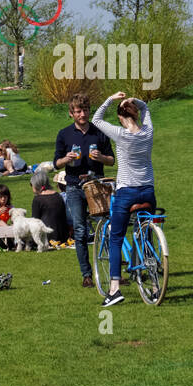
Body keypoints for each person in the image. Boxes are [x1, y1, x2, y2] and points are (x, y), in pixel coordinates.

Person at [92, 91, 154, 306]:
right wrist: (134, 101)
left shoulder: (120, 134)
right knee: (145, 234)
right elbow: (146, 108)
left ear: (120, 117)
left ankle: (115, 289)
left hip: (127, 191)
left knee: (116, 237)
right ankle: (154, 285)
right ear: (135, 114)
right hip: (148, 190)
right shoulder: (148, 132)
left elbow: (96, 119)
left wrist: (110, 98)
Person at [55, 92, 116, 286]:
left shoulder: (99, 132)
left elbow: (112, 160)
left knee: (106, 228)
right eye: (78, 111)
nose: (83, 114)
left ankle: (114, 273)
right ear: (71, 113)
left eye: (86, 110)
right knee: (80, 231)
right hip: (73, 186)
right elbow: (56, 163)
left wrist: (101, 158)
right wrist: (67, 159)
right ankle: (87, 275)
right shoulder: (64, 134)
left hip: (97, 184)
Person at [31, 168, 71, 247]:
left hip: (48, 235)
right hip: (63, 235)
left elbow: (35, 220)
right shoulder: (57, 195)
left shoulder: (37, 199)